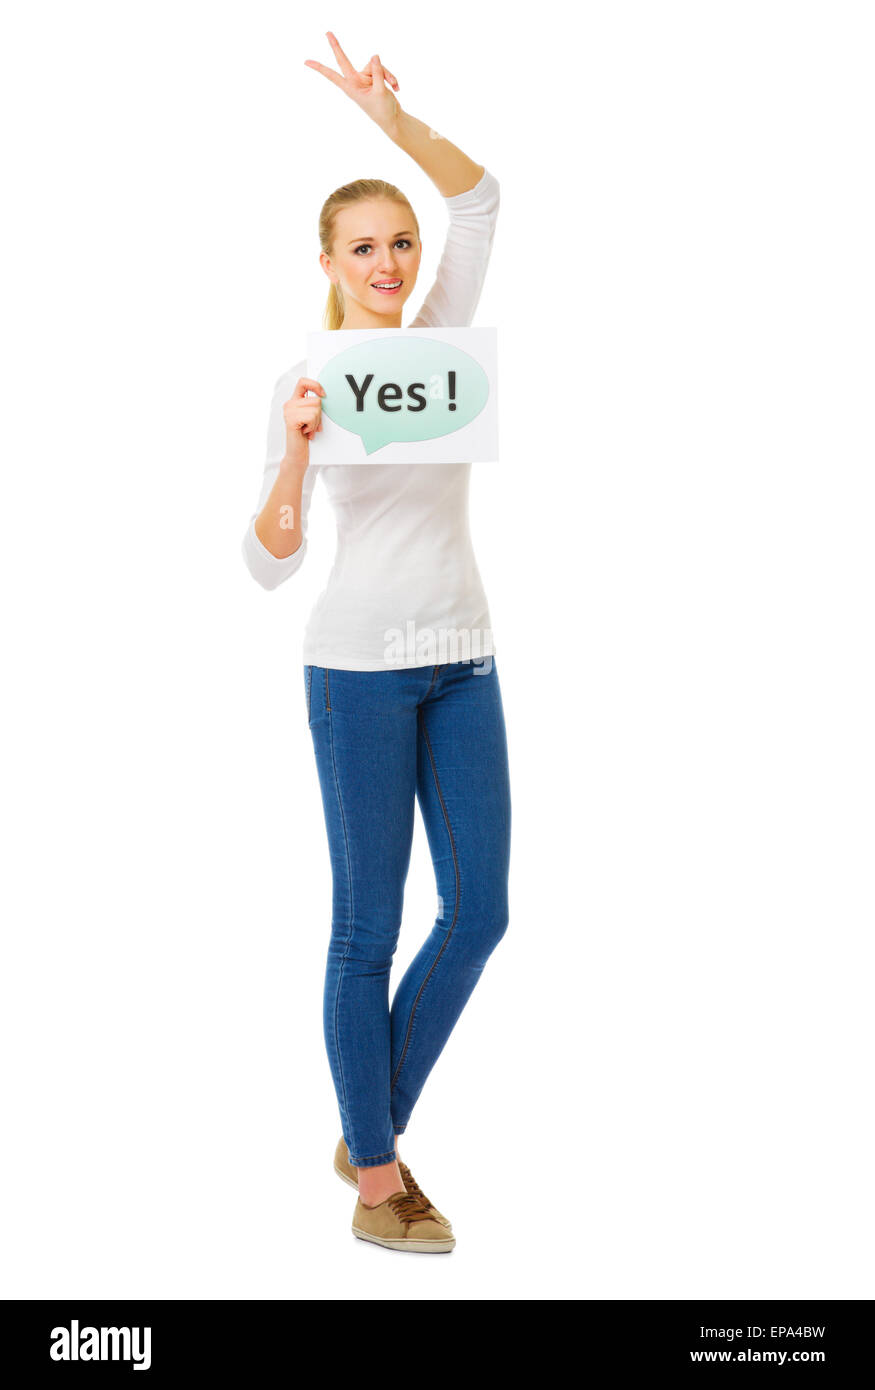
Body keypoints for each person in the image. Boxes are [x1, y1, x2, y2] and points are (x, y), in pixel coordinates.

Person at [241, 33, 510, 1254]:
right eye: (364, 248)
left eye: (399, 242)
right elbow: (268, 560)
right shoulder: (308, 381)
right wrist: (295, 455)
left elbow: (481, 199)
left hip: (462, 657)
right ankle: (379, 1178)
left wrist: (390, 122)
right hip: (355, 671)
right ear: (327, 264)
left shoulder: (442, 337)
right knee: (367, 926)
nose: (391, 263)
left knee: (479, 911)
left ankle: (364, 1124)